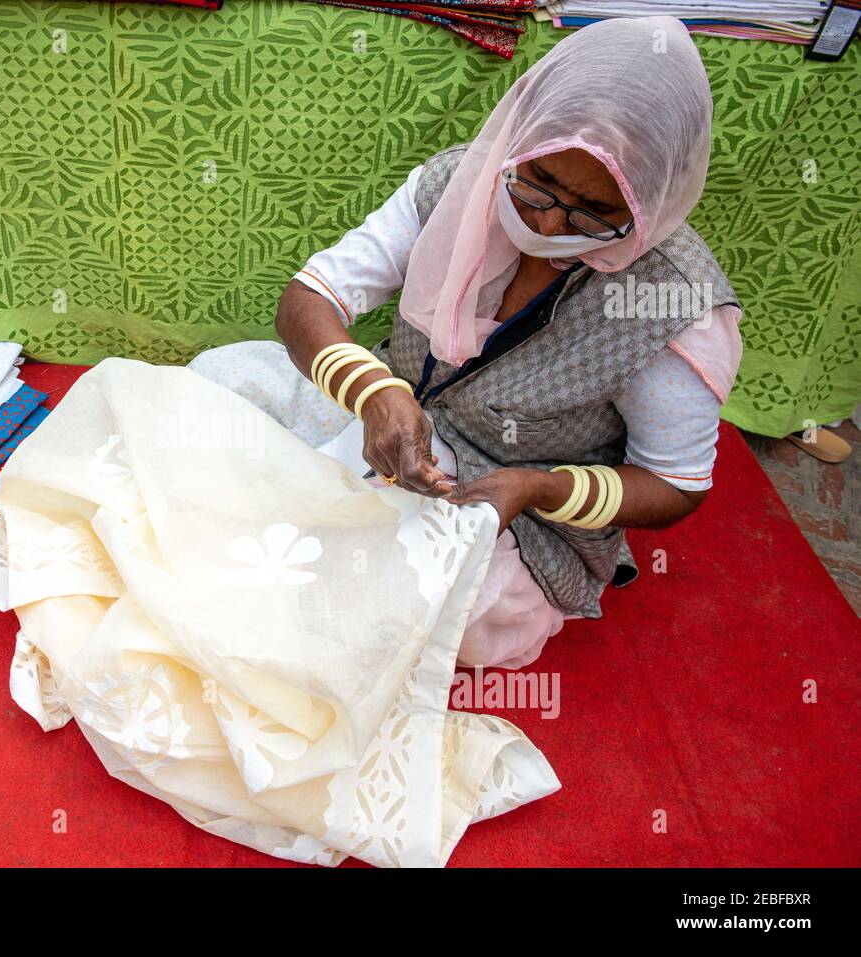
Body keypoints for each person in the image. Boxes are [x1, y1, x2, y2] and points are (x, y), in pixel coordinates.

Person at [191, 16, 743, 669]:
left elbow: (675, 483)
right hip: (393, 414)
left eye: (595, 211)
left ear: (653, 200)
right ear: (522, 132)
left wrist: (536, 488)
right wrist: (372, 391)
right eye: (538, 180)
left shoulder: (673, 304)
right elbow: (309, 298)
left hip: (508, 511)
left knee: (392, 592)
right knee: (216, 381)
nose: (548, 220)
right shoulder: (464, 181)